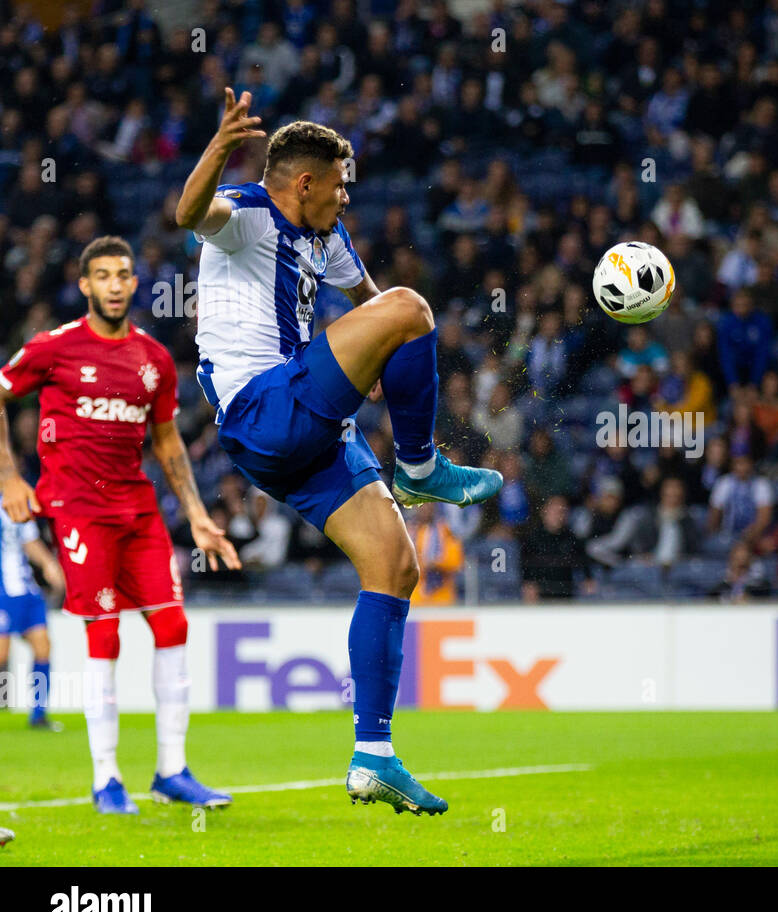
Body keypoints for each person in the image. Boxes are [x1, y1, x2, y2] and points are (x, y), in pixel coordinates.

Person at [176, 90, 502, 816]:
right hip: (263, 408)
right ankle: (418, 468)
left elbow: (371, 300)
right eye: (340, 181)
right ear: (303, 182)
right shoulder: (247, 214)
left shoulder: (330, 237)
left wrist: (390, 362)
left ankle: (373, 755)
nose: (348, 193)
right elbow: (188, 215)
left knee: (396, 565)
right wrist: (220, 144)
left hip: (303, 428)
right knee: (416, 308)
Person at [0, 236, 240, 814]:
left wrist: (201, 517)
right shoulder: (54, 348)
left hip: (139, 511)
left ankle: (172, 771)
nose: (113, 284)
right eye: (101, 275)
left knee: (174, 626)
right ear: (84, 284)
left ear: (135, 283)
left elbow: (165, 440)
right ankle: (106, 778)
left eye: (123, 274)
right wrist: (9, 476)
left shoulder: (153, 360)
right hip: (80, 512)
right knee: (103, 636)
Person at [0, 508, 64, 728]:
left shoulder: (16, 501)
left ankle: (39, 715)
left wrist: (48, 564)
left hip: (26, 590)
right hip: (2, 591)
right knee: (1, 652)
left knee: (43, 647)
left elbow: (29, 540)